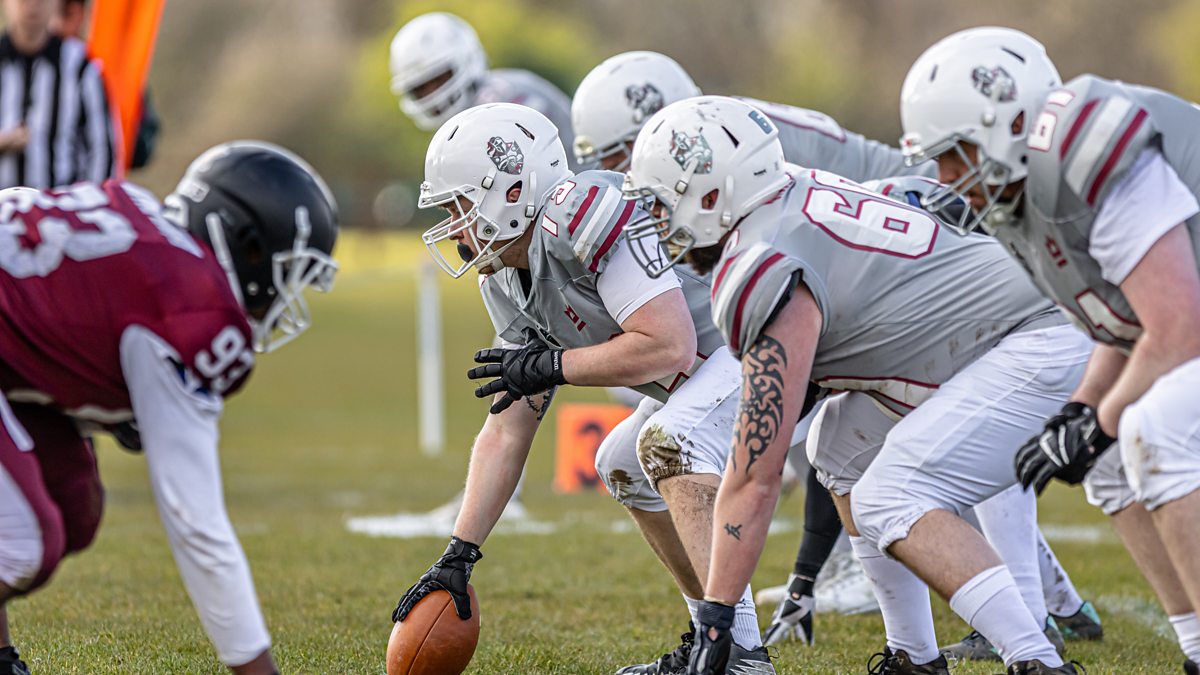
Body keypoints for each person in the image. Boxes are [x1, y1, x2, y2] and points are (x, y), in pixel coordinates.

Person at [574, 49, 1097, 653]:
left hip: (1033, 335)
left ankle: (1034, 656)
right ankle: (914, 656)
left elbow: (756, 478)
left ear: (713, 195)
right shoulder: (786, 192)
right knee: (840, 450)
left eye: (662, 203)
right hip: (1009, 326)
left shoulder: (761, 262)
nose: (655, 223)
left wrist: (718, 618)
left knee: (890, 495)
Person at [389, 103, 775, 673]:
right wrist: (459, 553)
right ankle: (711, 638)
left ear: (513, 191)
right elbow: (508, 426)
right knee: (621, 461)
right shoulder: (504, 277)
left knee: (669, 440)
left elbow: (667, 345)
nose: (455, 226)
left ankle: (738, 656)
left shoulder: (581, 214)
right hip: (720, 366)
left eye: (461, 206)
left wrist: (555, 365)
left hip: (768, 343)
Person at [899, 26, 1200, 674]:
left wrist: (1100, 419)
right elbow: (1123, 323)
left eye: (954, 154)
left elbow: (1178, 326)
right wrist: (1081, 409)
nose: (946, 177)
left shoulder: (1084, 148)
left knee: (1153, 426)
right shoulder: (1025, 201)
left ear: (1008, 123)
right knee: (1111, 459)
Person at [0, 141, 339, 675]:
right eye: (284, 274)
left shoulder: (139, 209)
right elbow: (196, 523)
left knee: (72, 503)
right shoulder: (191, 307)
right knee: (25, 543)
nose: (280, 300)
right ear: (248, 247)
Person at [388, 11, 576, 169]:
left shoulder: (505, 99)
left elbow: (524, 175)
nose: (431, 94)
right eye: (419, 88)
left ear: (467, 58)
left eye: (439, 78)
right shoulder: (461, 127)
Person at [0, 0, 115, 188]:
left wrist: (88, 202)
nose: (32, 5)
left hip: (63, 203)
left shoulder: (80, 66)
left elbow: (103, 151)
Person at [53, 0, 160, 170]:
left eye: (66, 14)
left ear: (80, 15)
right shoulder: (19, 66)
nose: (55, 25)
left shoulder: (105, 71)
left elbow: (141, 147)